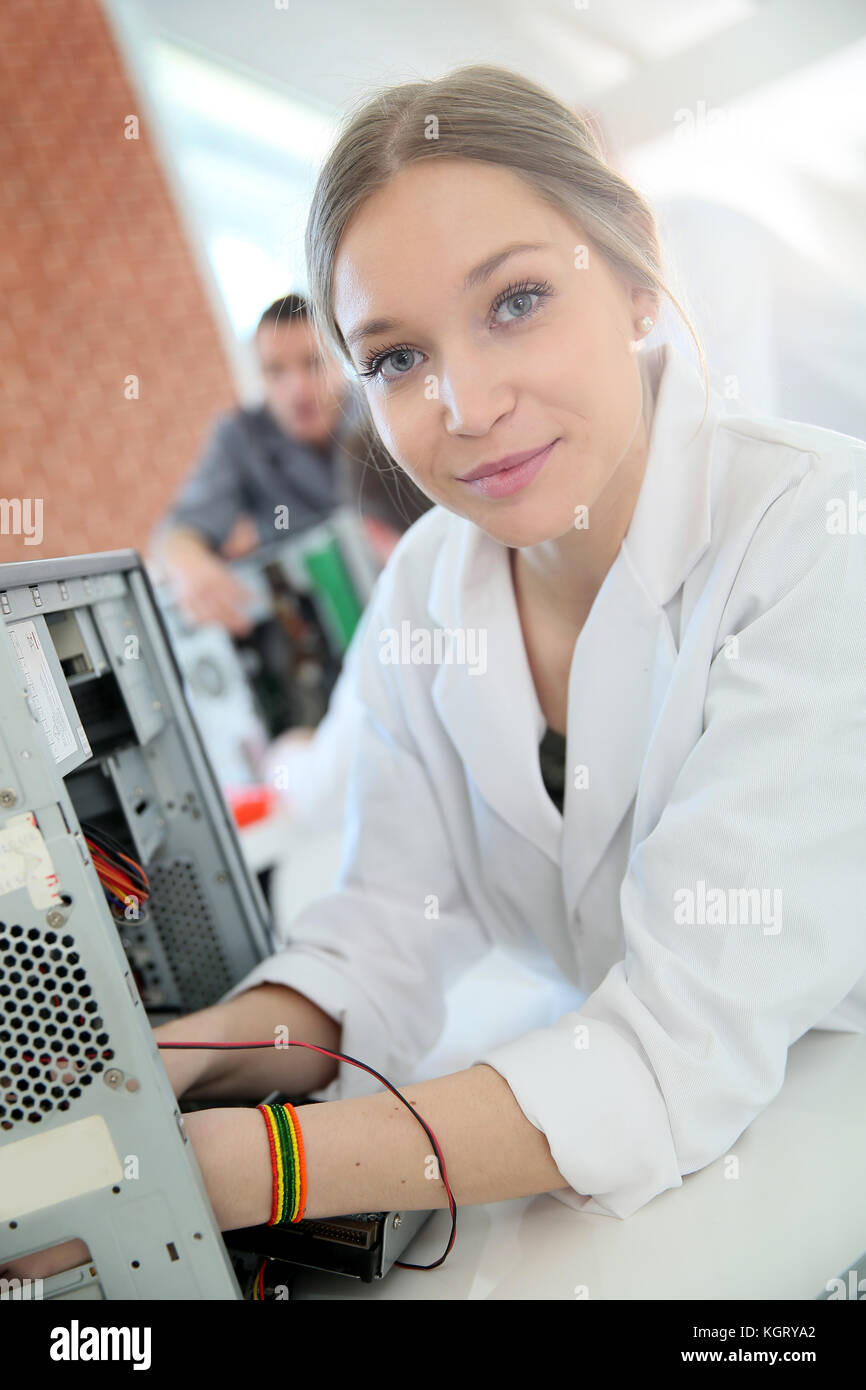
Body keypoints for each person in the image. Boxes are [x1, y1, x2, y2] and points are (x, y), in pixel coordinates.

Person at [8, 62, 865, 1280]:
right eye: (396, 358)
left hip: (822, 1127)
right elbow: (383, 938)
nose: (465, 402)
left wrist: (233, 1171)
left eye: (514, 300)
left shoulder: (816, 537)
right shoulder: (427, 592)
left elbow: (679, 1042)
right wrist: (171, 1065)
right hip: (635, 1164)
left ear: (630, 274)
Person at [150, 293, 429, 636]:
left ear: (342, 359)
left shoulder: (384, 406)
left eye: (312, 363)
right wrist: (189, 565)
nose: (296, 389)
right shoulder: (241, 438)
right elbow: (178, 532)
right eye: (275, 371)